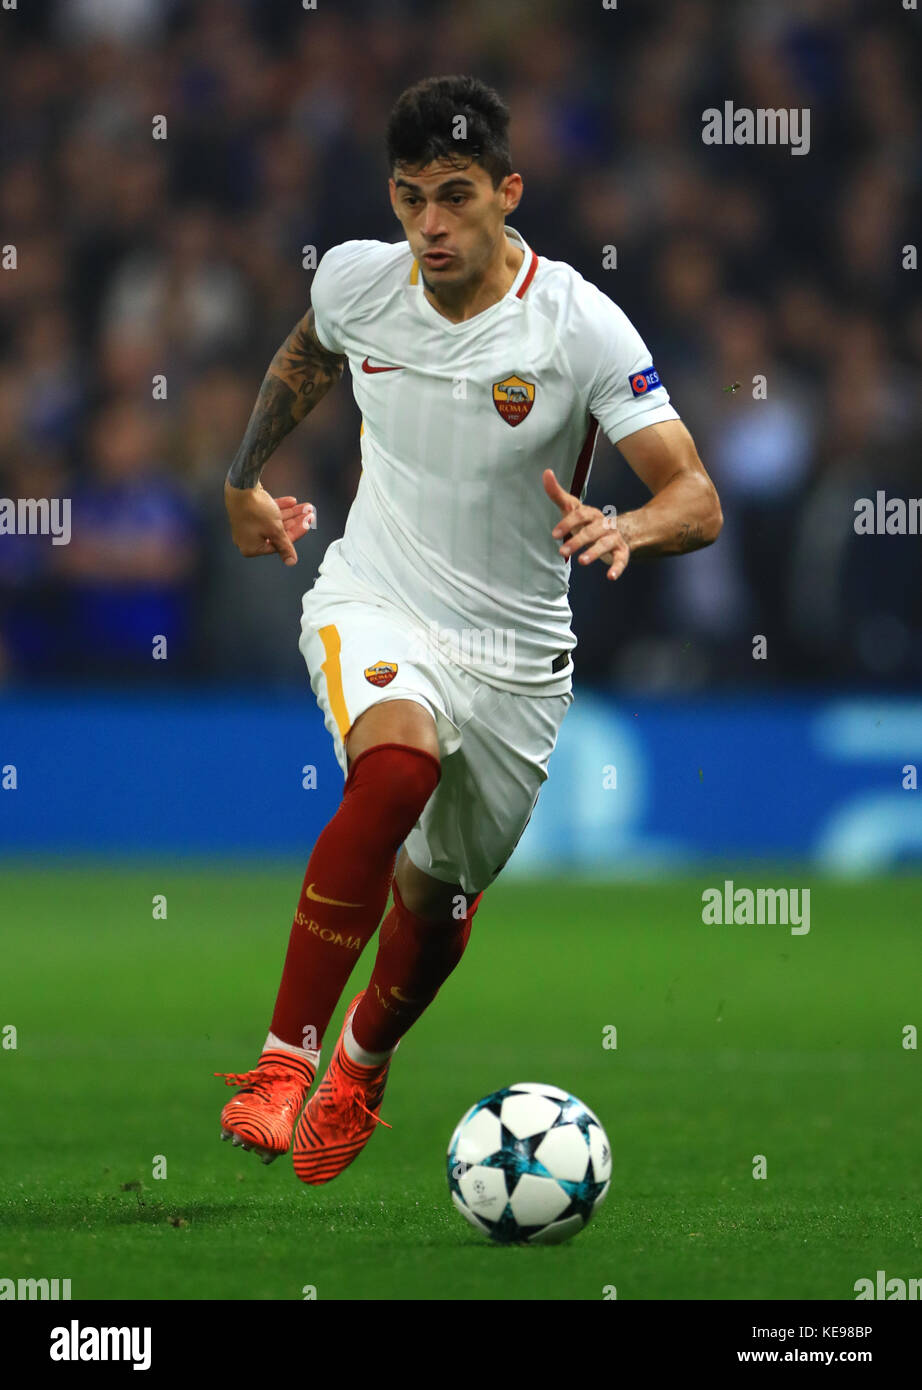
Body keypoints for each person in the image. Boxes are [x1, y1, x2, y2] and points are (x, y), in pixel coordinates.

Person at [216, 75, 722, 1184]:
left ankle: (361, 1058)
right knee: (392, 768)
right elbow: (306, 355)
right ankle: (279, 1062)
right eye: (408, 199)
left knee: (436, 903)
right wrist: (245, 480)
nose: (429, 226)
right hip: (378, 593)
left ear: (508, 191)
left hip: (516, 660)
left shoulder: (578, 323)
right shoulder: (360, 280)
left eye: (453, 196)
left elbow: (697, 496)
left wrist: (628, 525)